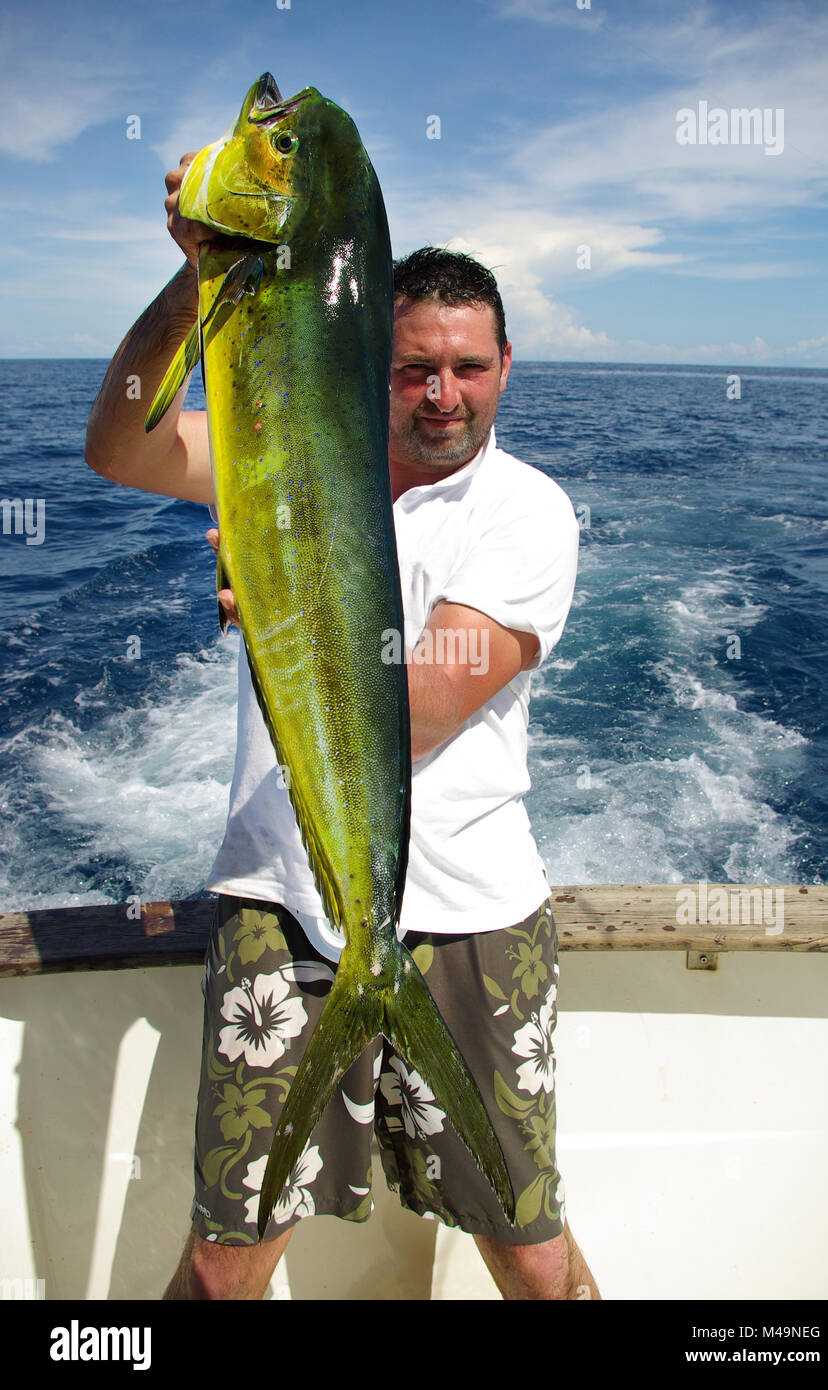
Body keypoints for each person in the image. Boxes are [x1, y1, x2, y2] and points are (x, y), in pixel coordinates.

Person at [85, 152, 600, 1302]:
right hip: (280, 905)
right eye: (416, 367)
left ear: (506, 366)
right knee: (227, 1258)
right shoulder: (280, 461)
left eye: (469, 367)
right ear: (374, 362)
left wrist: (284, 614)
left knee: (530, 1249)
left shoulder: (530, 514)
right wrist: (197, 278)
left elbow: (416, 711)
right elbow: (119, 442)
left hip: (471, 918)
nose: (443, 394)